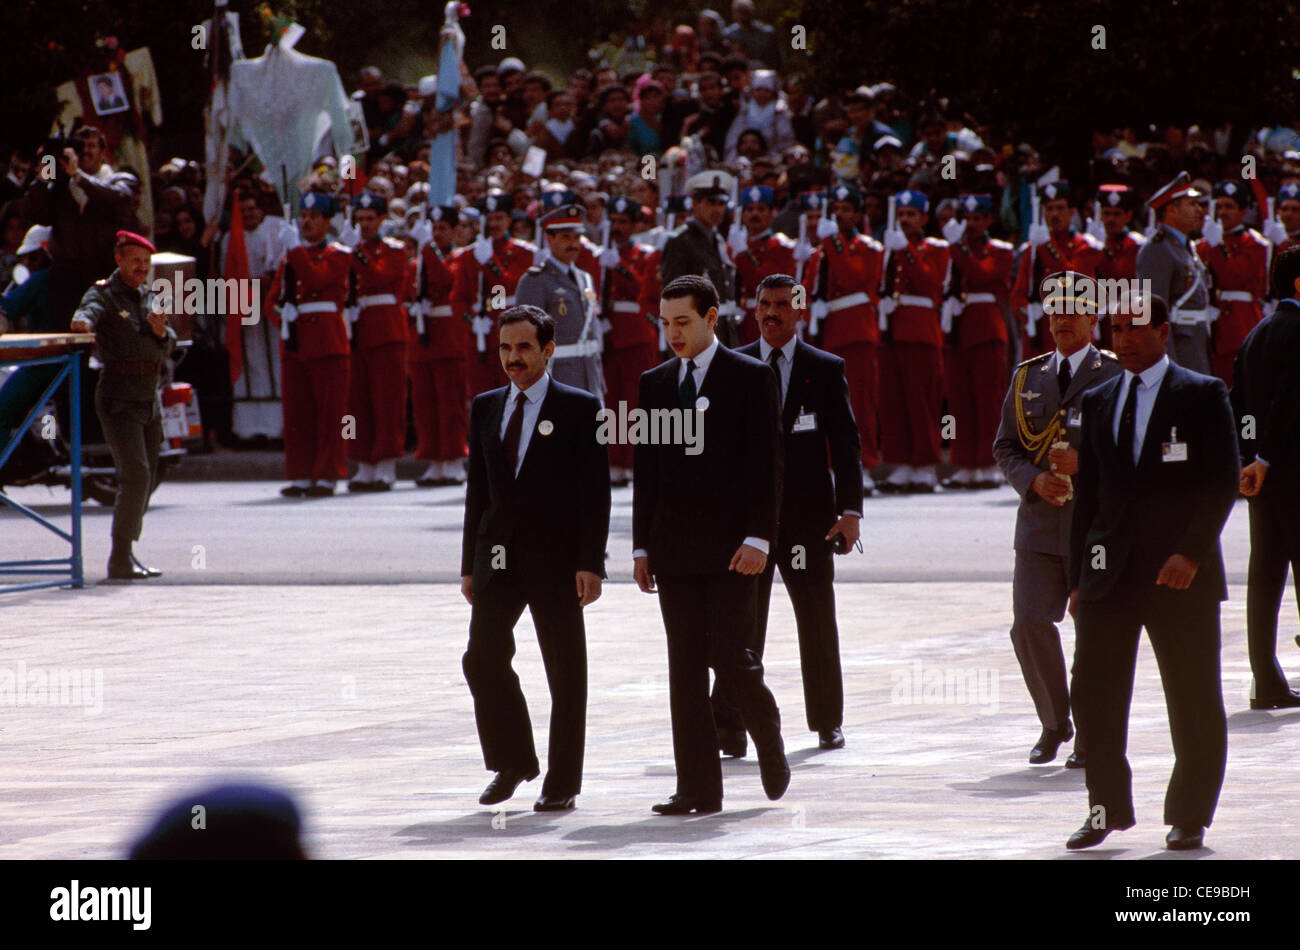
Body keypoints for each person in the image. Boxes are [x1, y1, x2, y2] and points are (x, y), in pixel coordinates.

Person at [1065, 292, 1239, 852]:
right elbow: (1087, 496)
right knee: (1094, 697)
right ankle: (1105, 809)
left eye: (1136, 328)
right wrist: (1077, 579)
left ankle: (1189, 815)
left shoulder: (1202, 394)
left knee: (1193, 700)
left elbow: (1221, 482)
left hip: (1178, 576)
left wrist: (1191, 553)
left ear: (1163, 331)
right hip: (1109, 576)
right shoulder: (1098, 399)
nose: (1124, 339)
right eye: (1116, 329)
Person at [633, 273, 789, 814]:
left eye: (683, 322)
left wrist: (759, 538)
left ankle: (765, 729)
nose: (673, 333)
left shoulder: (750, 377)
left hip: (733, 551)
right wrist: (641, 548)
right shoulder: (655, 384)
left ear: (711, 318)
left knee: (730, 657)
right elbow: (648, 473)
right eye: (665, 323)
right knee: (684, 669)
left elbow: (767, 466)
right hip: (673, 551)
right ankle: (698, 788)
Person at [460, 305, 610, 811]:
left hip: (558, 560)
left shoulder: (580, 407)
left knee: (565, 676)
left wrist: (591, 563)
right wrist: (469, 565)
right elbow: (478, 492)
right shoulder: (485, 407)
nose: (513, 357)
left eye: (524, 347)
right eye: (505, 347)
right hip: (498, 557)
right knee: (481, 658)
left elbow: (595, 493)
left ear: (548, 350)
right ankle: (514, 760)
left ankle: (562, 782)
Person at [712, 273, 862, 754]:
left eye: (782, 304)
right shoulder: (732, 366)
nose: (772, 313)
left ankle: (827, 720)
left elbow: (846, 444)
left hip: (807, 519)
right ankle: (729, 725)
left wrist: (850, 512)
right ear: (753, 310)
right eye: (764, 304)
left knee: (816, 622)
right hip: (747, 523)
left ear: (801, 311)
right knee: (740, 625)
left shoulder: (825, 368)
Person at [992, 270, 1121, 766]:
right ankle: (1054, 721)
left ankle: (1091, 732)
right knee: (1028, 623)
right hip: (1039, 525)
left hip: (1094, 527)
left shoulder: (1114, 374)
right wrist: (1032, 479)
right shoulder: (1028, 376)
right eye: (1056, 311)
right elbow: (1006, 446)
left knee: (1094, 633)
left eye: (1074, 310)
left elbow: (1133, 448)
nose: (1063, 319)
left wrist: (1085, 464)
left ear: (1093, 316)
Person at [68, 231, 175, 580]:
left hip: (148, 396)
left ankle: (126, 552)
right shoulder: (104, 294)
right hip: (119, 397)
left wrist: (162, 333)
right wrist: (83, 323)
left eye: (146, 262)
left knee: (149, 475)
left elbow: (169, 341)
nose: (141, 268)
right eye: (135, 261)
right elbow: (88, 312)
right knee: (137, 475)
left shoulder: (149, 295)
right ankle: (119, 558)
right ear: (119, 260)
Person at [1230, 244, 1300, 709]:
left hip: (1262, 475)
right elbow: (1290, 402)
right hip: (1291, 470)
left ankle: (1267, 681)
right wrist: (1268, 456)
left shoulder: (1256, 333)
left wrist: (1249, 458)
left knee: (1266, 577)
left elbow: (1241, 405)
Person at [265, 192, 352, 498]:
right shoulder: (290, 257)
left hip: (326, 340)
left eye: (314, 217)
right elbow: (271, 302)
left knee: (330, 414)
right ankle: (300, 473)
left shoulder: (338, 254)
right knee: (297, 413)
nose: (306, 222)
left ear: (328, 222)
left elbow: (316, 279)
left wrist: (294, 249)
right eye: (303, 216)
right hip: (296, 340)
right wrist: (282, 314)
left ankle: (327, 474)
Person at [806, 184, 884, 489]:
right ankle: (832, 465)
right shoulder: (820, 252)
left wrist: (830, 242)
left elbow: (854, 277)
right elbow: (809, 289)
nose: (839, 215)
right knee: (829, 404)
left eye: (846, 210)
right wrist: (811, 308)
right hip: (829, 332)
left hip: (856, 330)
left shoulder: (869, 247)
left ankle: (862, 465)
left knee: (860, 403)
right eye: (835, 209)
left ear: (858, 214)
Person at [877, 188, 949, 493]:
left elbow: (930, 282)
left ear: (924, 218)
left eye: (911, 214)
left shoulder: (936, 247)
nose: (905, 219)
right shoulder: (886, 248)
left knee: (921, 400)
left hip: (920, 329)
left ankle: (925, 464)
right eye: (901, 214)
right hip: (891, 328)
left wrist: (905, 250)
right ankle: (901, 462)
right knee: (893, 399)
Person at [943, 194, 1015, 489]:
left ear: (988, 220)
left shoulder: (999, 250)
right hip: (957, 327)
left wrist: (957, 247)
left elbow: (980, 274)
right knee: (958, 399)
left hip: (985, 327)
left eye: (977, 218)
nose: (971, 224)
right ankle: (964, 462)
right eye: (967, 219)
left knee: (988, 399)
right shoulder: (952, 248)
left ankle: (989, 462)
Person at [344, 192, 410, 492]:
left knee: (387, 400)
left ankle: (386, 463)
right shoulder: (349, 250)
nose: (365, 224)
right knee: (358, 401)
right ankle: (364, 463)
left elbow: (378, 276)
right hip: (358, 329)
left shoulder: (394, 250)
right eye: (360, 219)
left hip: (385, 331)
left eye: (370, 219)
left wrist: (355, 253)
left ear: (382, 219)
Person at [515, 202, 605, 397]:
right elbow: (524, 336)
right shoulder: (536, 280)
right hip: (557, 377)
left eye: (576, 237)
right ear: (549, 239)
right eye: (566, 237)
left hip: (590, 375)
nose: (573, 244)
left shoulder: (585, 278)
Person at [595, 196, 655, 485]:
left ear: (634, 226)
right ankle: (613, 459)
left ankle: (634, 459)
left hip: (635, 334)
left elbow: (646, 290)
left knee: (633, 401)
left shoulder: (645, 254)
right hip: (605, 334)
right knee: (609, 400)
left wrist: (619, 267)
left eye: (623, 222)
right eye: (614, 221)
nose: (617, 227)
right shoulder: (598, 255)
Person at [409, 205, 470, 486]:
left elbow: (447, 278)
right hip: (424, 340)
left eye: (443, 228)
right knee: (426, 405)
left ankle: (454, 459)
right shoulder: (418, 263)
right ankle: (434, 459)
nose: (437, 233)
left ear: (455, 232)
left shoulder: (460, 259)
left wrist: (428, 251)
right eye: (433, 229)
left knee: (450, 403)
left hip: (449, 339)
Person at [452, 190, 535, 397]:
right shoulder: (468, 255)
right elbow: (458, 299)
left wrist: (489, 262)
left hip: (513, 335)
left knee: (516, 396)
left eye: (499, 218)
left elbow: (509, 286)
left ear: (509, 220)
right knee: (482, 398)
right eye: (489, 219)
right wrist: (471, 320)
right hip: (480, 336)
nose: (494, 224)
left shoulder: (524, 252)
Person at [1011, 181, 1104, 360]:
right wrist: (1029, 313)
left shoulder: (1086, 246)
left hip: (1075, 333)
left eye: (1060, 208)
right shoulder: (1033, 249)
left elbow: (1071, 280)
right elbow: (1017, 296)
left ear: (1072, 212)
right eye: (1049, 209)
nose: (1054, 214)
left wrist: (1048, 247)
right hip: (1042, 336)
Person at [1136, 171, 1213, 374]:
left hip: (1195, 345)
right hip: (1179, 351)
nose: (1199, 210)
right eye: (1192, 204)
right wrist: (1167, 367)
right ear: (1172, 210)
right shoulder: (1157, 249)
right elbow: (1153, 314)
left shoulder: (1185, 246)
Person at [1197, 180, 1268, 385]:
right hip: (1210, 322)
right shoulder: (1203, 244)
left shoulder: (1254, 243)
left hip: (1239, 323)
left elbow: (1233, 277)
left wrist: (1215, 246)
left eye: (1229, 207)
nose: (1222, 212)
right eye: (1219, 206)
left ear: (1243, 212)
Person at [660, 171, 741, 347]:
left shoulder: (718, 239)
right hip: (696, 336)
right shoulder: (680, 241)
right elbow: (673, 296)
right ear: (695, 204)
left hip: (723, 331)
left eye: (721, 203)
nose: (717, 209)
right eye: (711, 202)